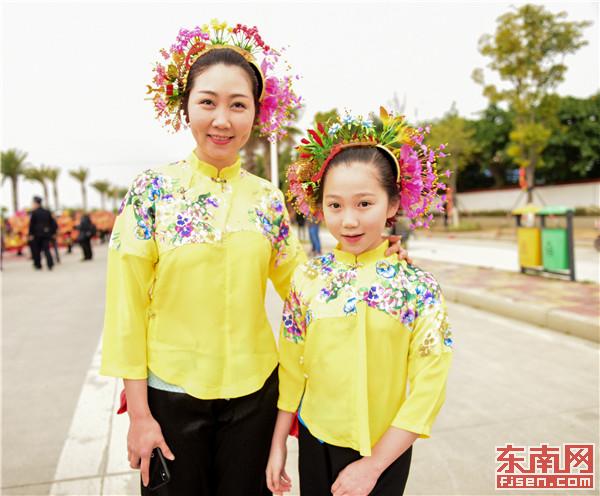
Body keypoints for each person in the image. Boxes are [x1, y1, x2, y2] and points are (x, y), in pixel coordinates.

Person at [100, 22, 407, 495]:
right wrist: (140, 415)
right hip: (170, 396)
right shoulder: (152, 191)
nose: (222, 120)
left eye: (238, 105)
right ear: (185, 107)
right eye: (208, 102)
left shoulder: (267, 199)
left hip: (255, 398)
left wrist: (372, 261)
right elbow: (125, 307)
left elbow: (303, 284)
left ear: (255, 114)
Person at [268, 109, 454, 496]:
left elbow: (429, 386)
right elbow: (291, 366)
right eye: (335, 205)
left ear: (392, 204)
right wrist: (278, 445)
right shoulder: (307, 278)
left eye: (364, 204)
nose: (348, 220)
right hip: (315, 442)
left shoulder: (417, 287)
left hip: (386, 452)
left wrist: (373, 465)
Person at [28, 196, 57, 270]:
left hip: (37, 234)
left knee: (37, 250)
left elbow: (31, 224)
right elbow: (53, 223)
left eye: (33, 203)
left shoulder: (34, 213)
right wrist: (53, 232)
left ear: (36, 204)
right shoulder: (47, 212)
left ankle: (38, 265)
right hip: (46, 234)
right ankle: (50, 264)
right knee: (46, 249)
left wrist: (30, 234)